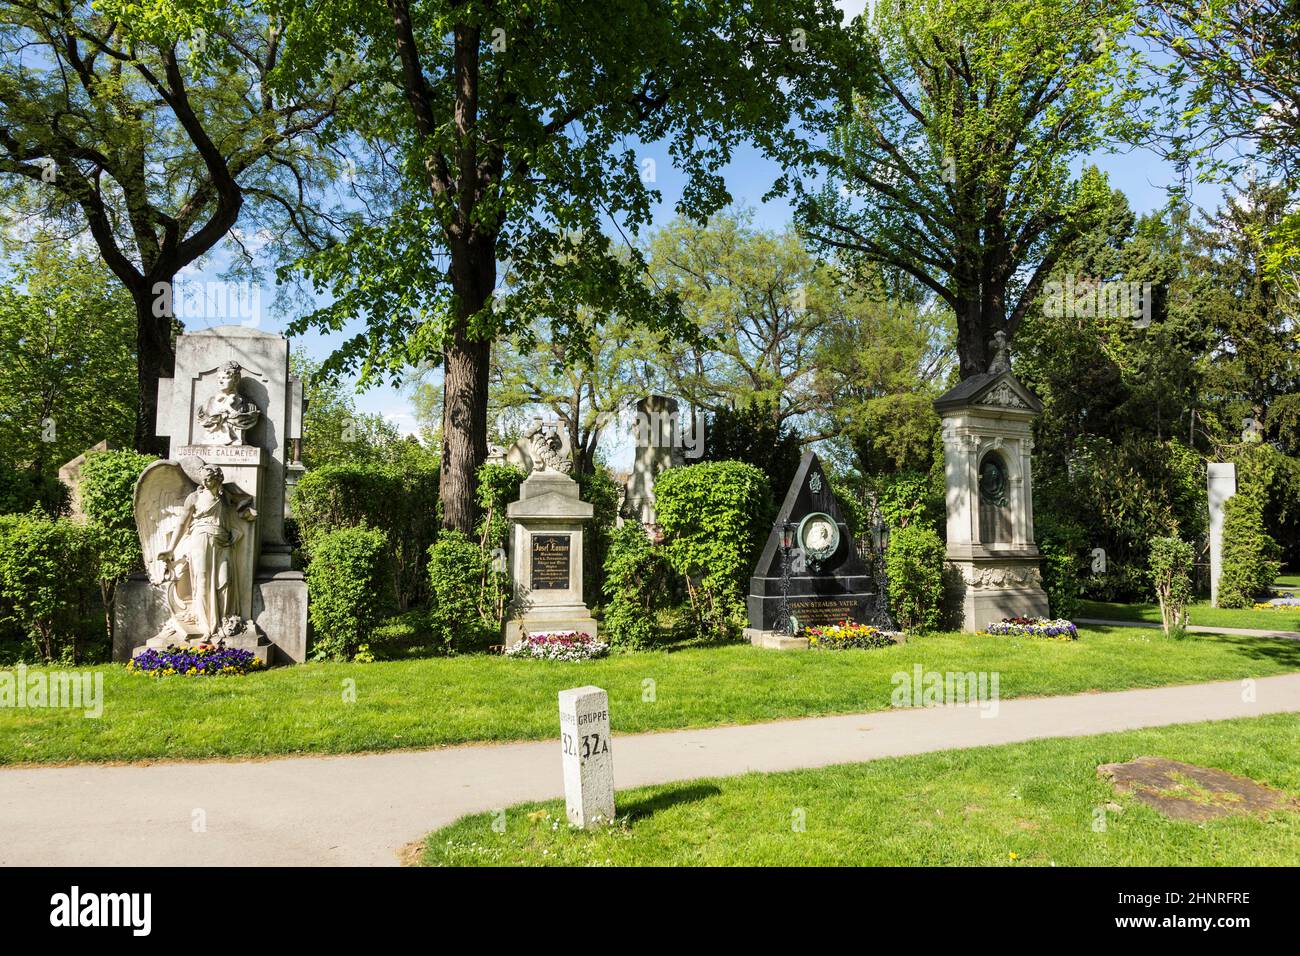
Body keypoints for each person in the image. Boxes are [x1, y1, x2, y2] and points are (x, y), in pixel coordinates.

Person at [158, 464, 257, 639]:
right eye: (202, 477)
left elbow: (243, 502)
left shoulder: (226, 495)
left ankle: (222, 621)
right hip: (201, 538)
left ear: (218, 478)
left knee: (224, 580)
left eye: (208, 477)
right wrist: (170, 549)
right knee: (202, 579)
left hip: (222, 541)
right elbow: (182, 524)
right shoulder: (194, 497)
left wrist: (246, 513)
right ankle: (205, 626)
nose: (204, 481)